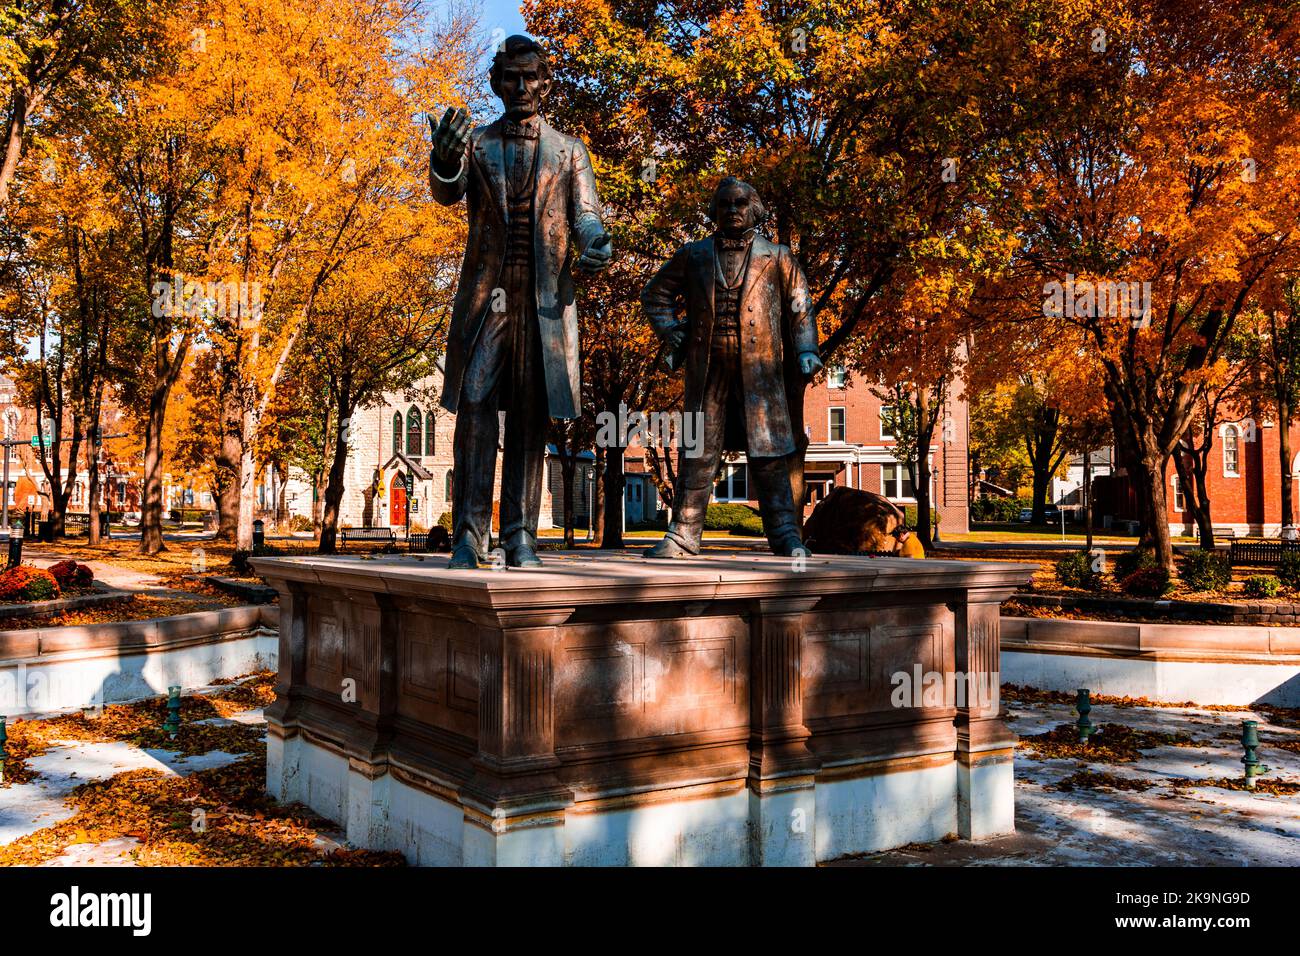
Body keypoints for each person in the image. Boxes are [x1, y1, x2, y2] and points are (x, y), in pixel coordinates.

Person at [429, 35, 611, 569]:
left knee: (531, 418)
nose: (522, 86)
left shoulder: (570, 150)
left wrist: (593, 241)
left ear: (546, 83)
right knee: (476, 406)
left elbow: (586, 214)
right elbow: (447, 190)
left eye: (532, 76)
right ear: (496, 83)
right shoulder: (476, 143)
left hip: (545, 299)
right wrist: (442, 160)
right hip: (489, 297)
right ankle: (468, 536)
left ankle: (521, 538)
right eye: (511, 77)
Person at [641, 177, 821, 558]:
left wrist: (806, 348)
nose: (733, 210)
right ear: (714, 210)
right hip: (707, 369)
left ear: (754, 209)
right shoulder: (694, 255)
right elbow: (655, 293)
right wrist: (671, 330)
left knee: (769, 454)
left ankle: (786, 536)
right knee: (697, 450)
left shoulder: (778, 256)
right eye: (725, 204)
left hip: (760, 371)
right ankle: (682, 535)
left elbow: (800, 305)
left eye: (741, 203)